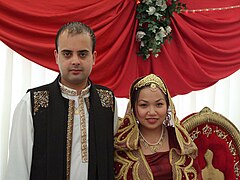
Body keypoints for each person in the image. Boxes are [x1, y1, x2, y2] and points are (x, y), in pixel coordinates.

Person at [5, 22, 118, 180]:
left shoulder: (107, 101)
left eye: (83, 54)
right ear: (56, 57)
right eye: (67, 54)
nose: (75, 61)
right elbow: (18, 168)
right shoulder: (33, 102)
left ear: (94, 57)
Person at [114, 74, 201, 179]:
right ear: (133, 108)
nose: (152, 112)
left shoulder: (179, 141)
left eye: (159, 104)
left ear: (168, 106)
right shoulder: (123, 145)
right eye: (144, 105)